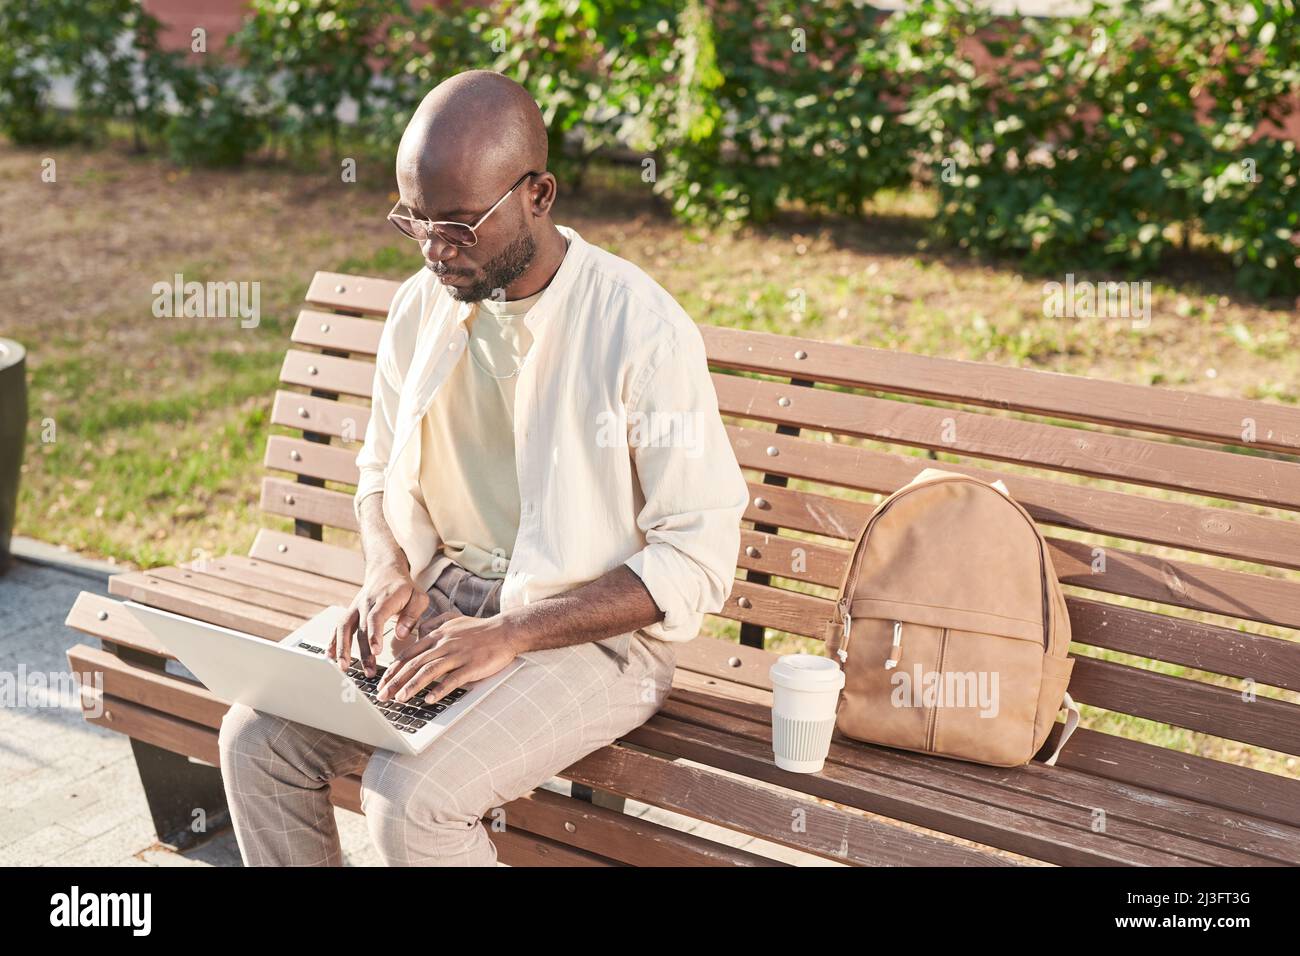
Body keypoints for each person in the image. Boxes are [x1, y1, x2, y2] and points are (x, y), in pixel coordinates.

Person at [216, 69, 751, 866]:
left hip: (593, 639)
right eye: (416, 220)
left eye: (460, 224)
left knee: (411, 800)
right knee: (254, 740)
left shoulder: (640, 331)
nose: (435, 249)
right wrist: (386, 567)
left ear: (540, 193)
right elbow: (375, 473)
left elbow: (694, 561)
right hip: (441, 603)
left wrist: (512, 632)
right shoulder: (420, 305)